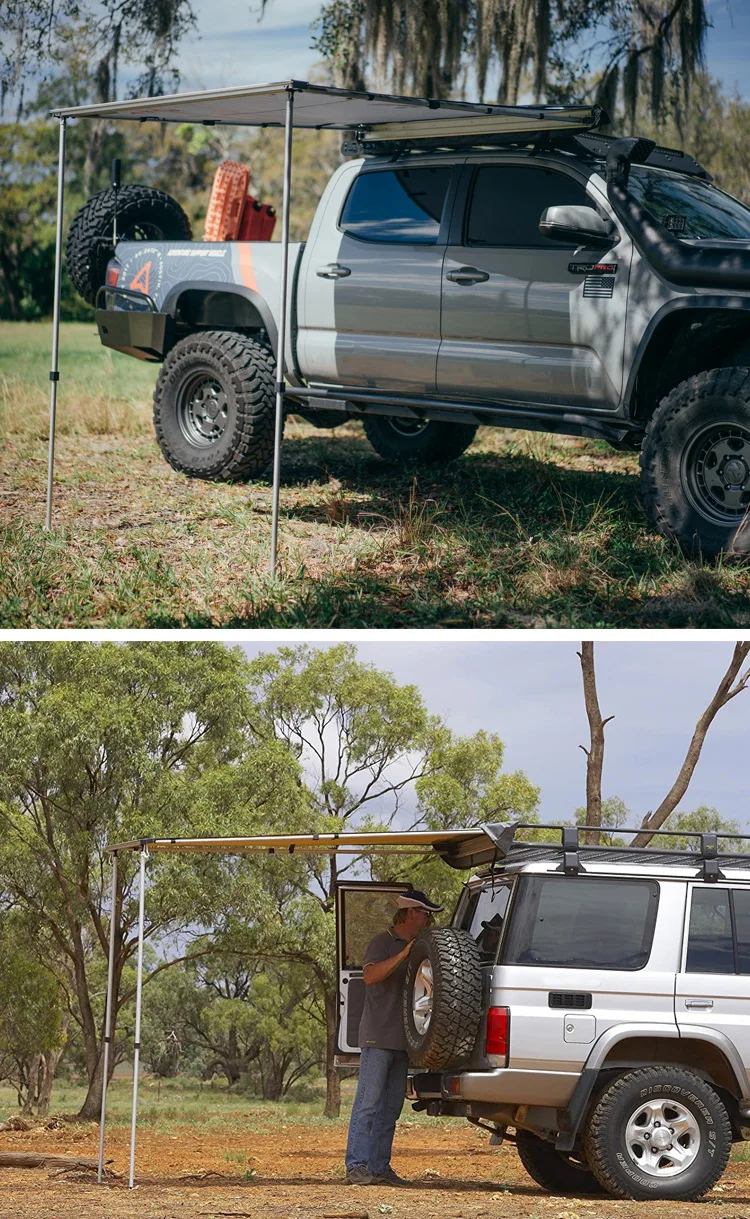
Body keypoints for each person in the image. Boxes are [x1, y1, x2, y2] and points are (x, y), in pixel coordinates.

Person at [345, 888, 444, 1186]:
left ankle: (379, 1167)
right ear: (411, 912)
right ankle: (356, 1166)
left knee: (390, 1107)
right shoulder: (383, 942)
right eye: (426, 914)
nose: (429, 920)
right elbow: (371, 976)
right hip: (378, 1038)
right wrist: (403, 954)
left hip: (403, 1043)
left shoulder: (422, 947)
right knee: (368, 1102)